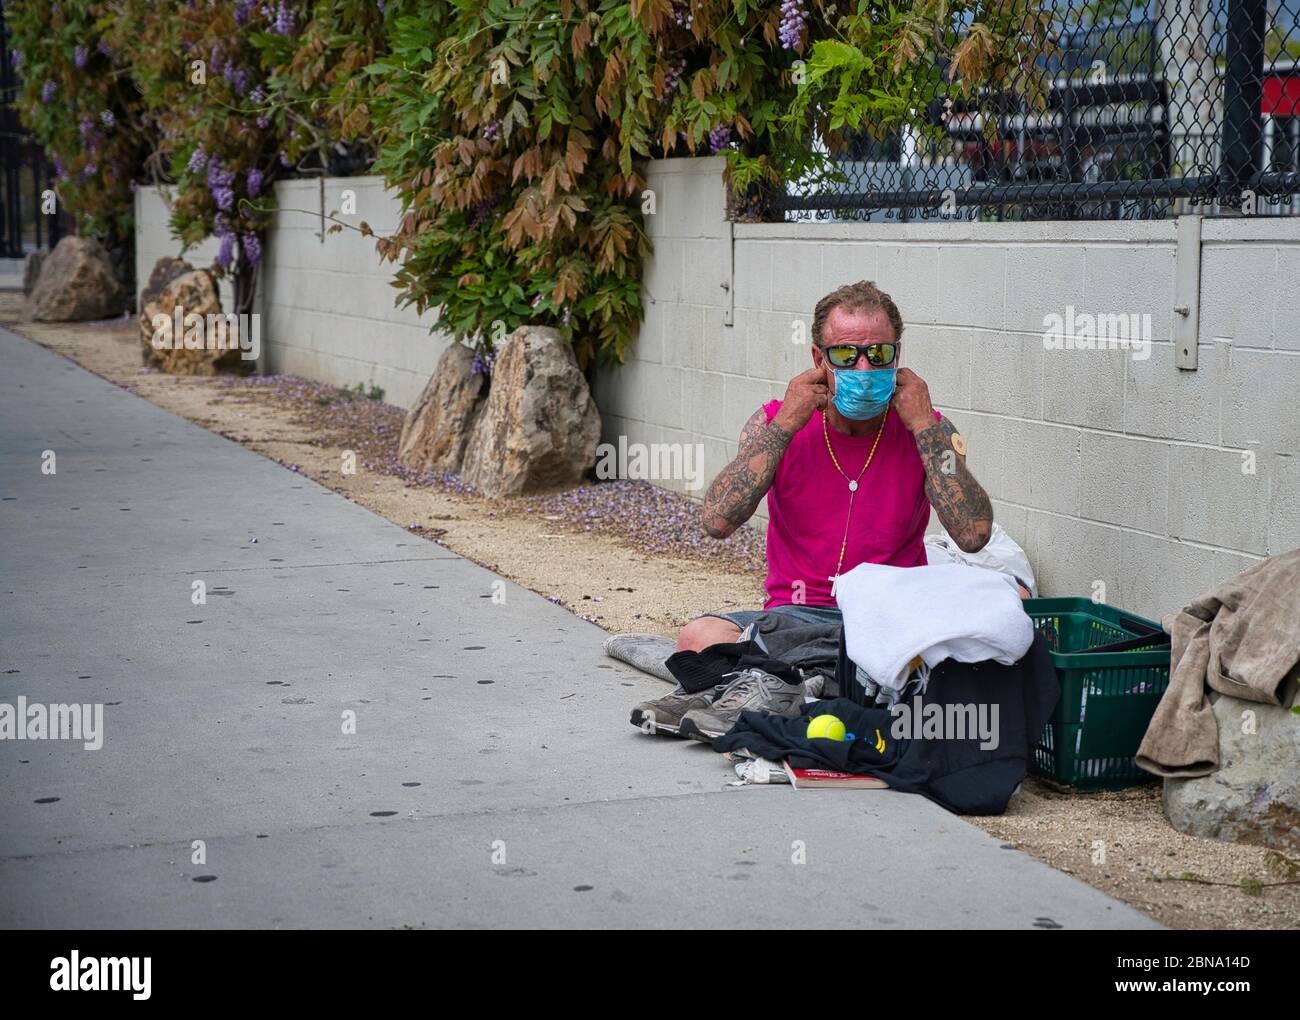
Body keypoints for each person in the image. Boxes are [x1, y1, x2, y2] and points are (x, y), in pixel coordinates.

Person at [642, 281, 999, 742]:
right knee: (699, 637)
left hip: (887, 619)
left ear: (898, 356)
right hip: (794, 616)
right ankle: (806, 687)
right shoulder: (775, 421)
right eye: (847, 355)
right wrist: (787, 423)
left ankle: (771, 687)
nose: (865, 366)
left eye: (880, 354)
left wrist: (924, 426)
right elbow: (716, 521)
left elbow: (973, 534)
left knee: (937, 660)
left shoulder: (927, 429)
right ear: (819, 360)